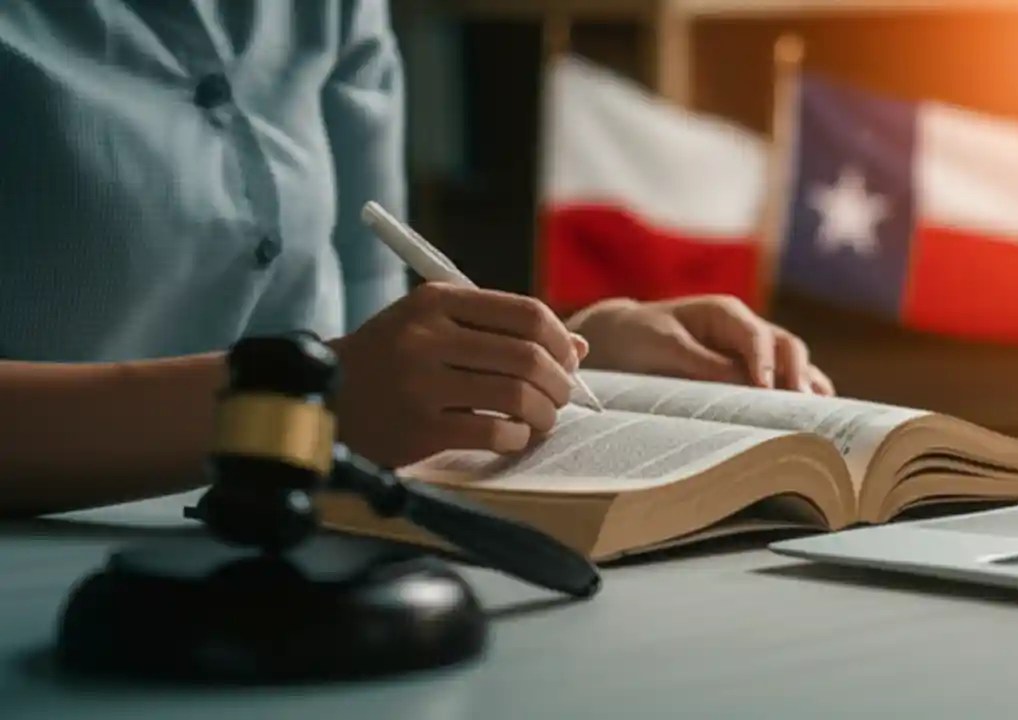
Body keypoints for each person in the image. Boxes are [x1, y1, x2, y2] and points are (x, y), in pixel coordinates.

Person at [0, 0, 831, 518]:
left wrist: (582, 353)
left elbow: (369, 356)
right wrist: (311, 405)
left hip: (293, 553)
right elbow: (345, 387)